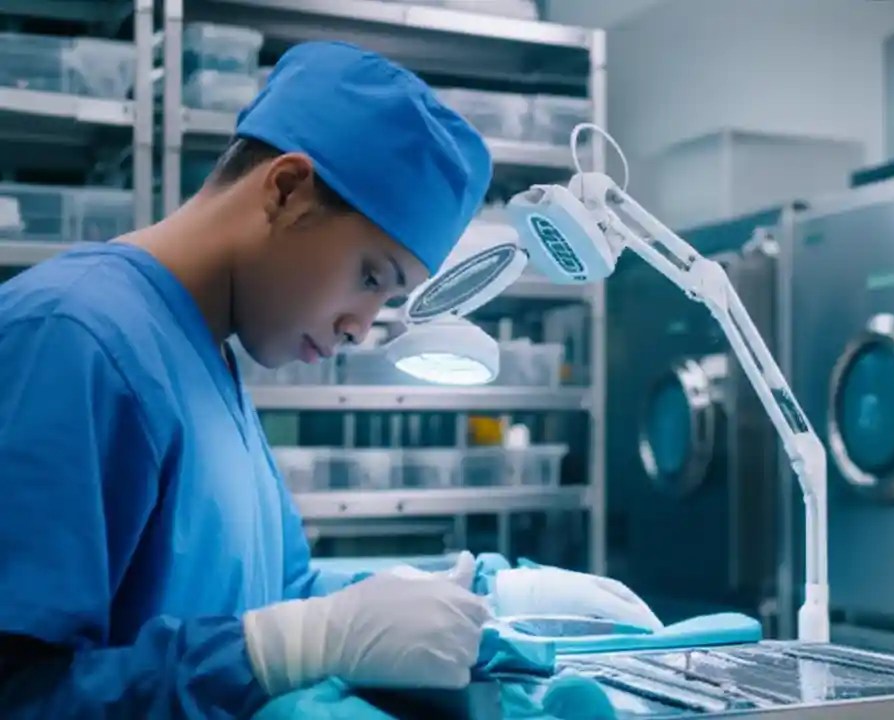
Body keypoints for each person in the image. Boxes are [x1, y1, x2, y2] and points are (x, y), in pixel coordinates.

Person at [0, 41, 656, 718]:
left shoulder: (208, 362)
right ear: (286, 190)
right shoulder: (73, 339)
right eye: (372, 277)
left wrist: (480, 594)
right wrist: (287, 649)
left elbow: (284, 595)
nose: (360, 328)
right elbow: (19, 694)